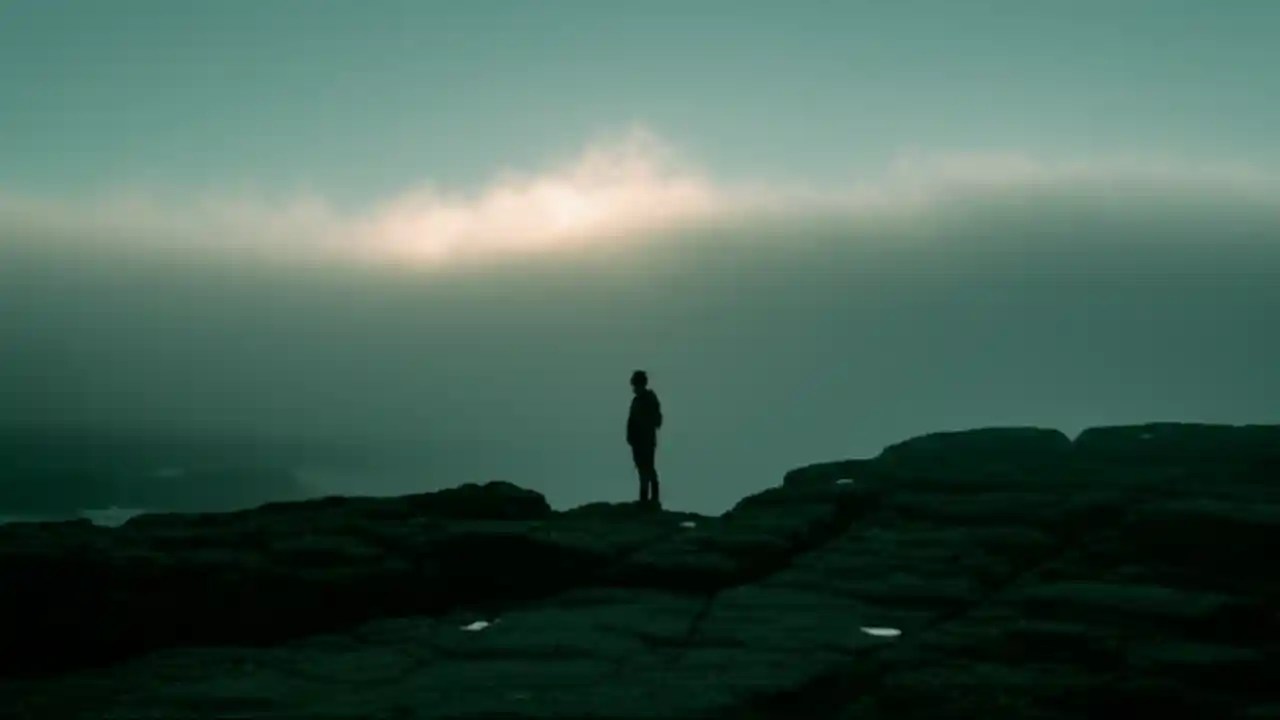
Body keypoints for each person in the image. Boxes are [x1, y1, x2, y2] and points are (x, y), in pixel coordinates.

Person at [626, 370, 663, 507]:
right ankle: (645, 500)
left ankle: (651, 500)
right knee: (643, 469)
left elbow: (655, 421)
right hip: (638, 442)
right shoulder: (637, 401)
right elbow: (632, 421)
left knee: (647, 469)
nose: (634, 388)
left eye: (636, 385)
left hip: (646, 441)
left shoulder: (648, 400)